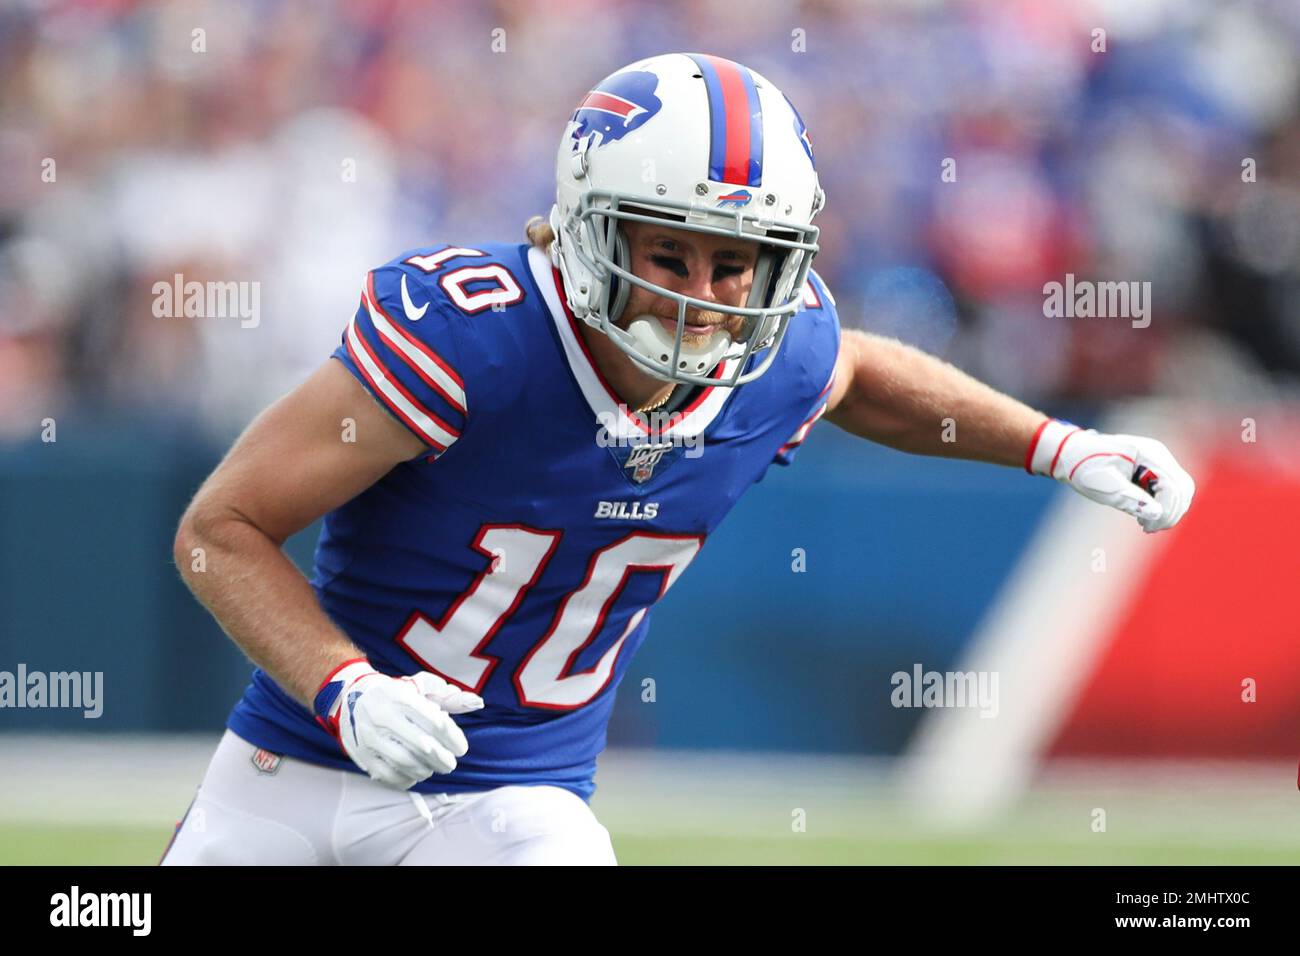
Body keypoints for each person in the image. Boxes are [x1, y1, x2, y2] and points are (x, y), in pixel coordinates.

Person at [161, 52, 1194, 865]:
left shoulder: (776, 361)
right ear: (586, 230)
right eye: (668, 252)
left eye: (734, 261)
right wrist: (344, 685)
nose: (704, 294)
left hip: (510, 801)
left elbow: (863, 372)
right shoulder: (477, 338)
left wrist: (1056, 444)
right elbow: (220, 529)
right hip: (294, 759)